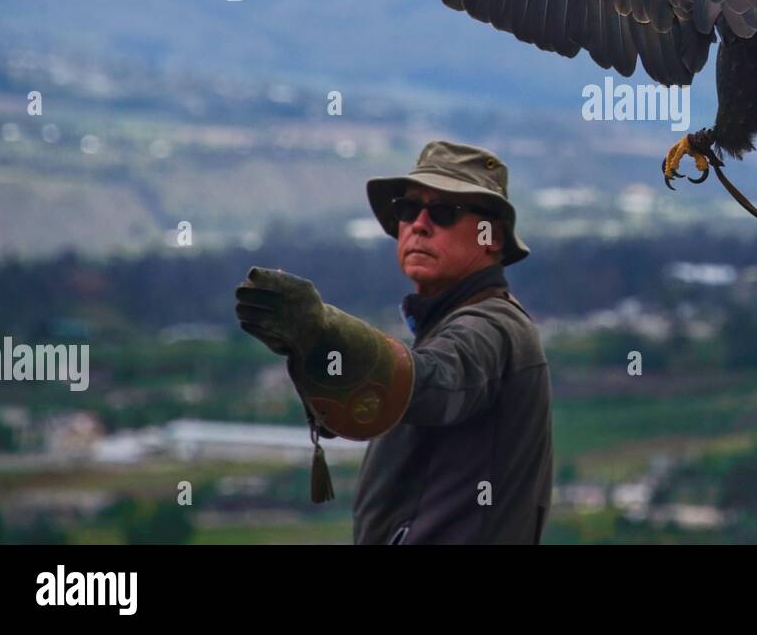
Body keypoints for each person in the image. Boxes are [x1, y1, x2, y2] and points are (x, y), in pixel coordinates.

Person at [234, 140, 553, 543]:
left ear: (491, 237)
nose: (419, 223)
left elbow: (433, 383)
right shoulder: (449, 324)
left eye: (443, 211)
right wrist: (312, 349)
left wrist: (324, 333)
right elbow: (384, 399)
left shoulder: (493, 327)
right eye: (408, 209)